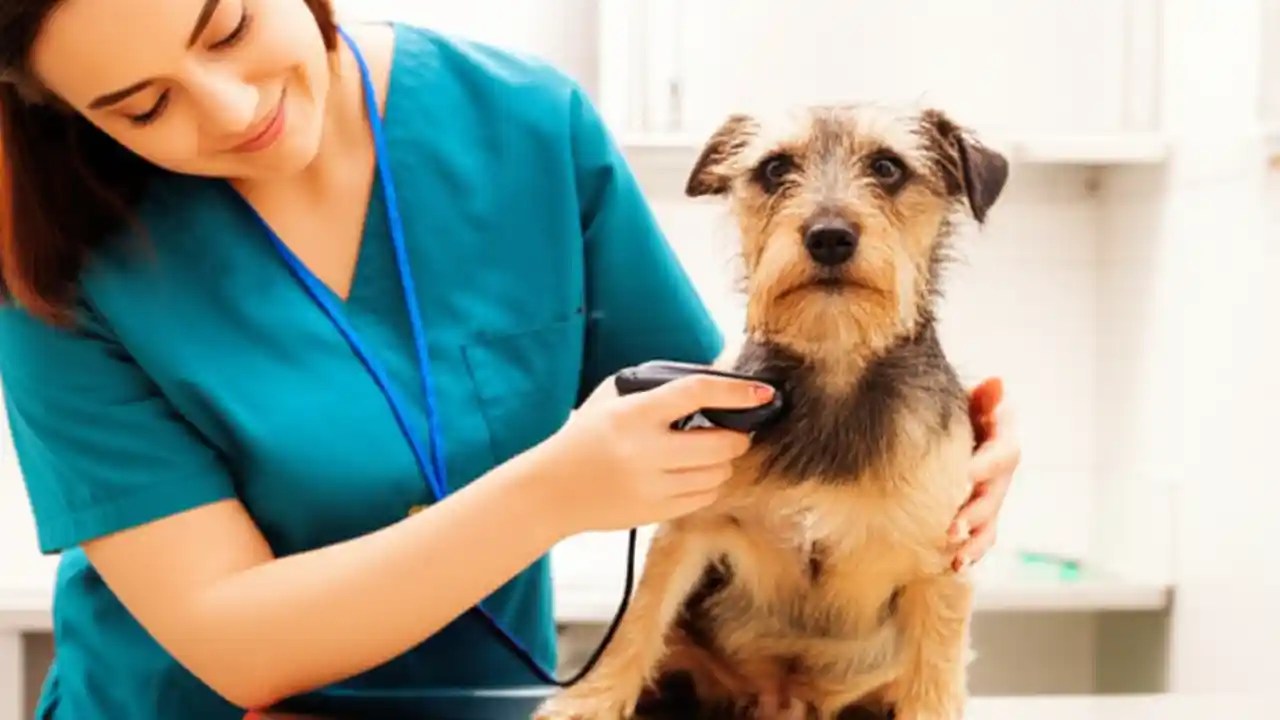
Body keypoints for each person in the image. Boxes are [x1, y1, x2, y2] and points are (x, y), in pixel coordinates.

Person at [0, 1, 1023, 718]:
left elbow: (702, 417)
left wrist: (943, 438)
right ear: (59, 109)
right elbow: (234, 645)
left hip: (492, 702)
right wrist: (552, 492)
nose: (229, 109)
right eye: (140, 106)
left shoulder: (523, 124)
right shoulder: (52, 268)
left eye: (225, 25)